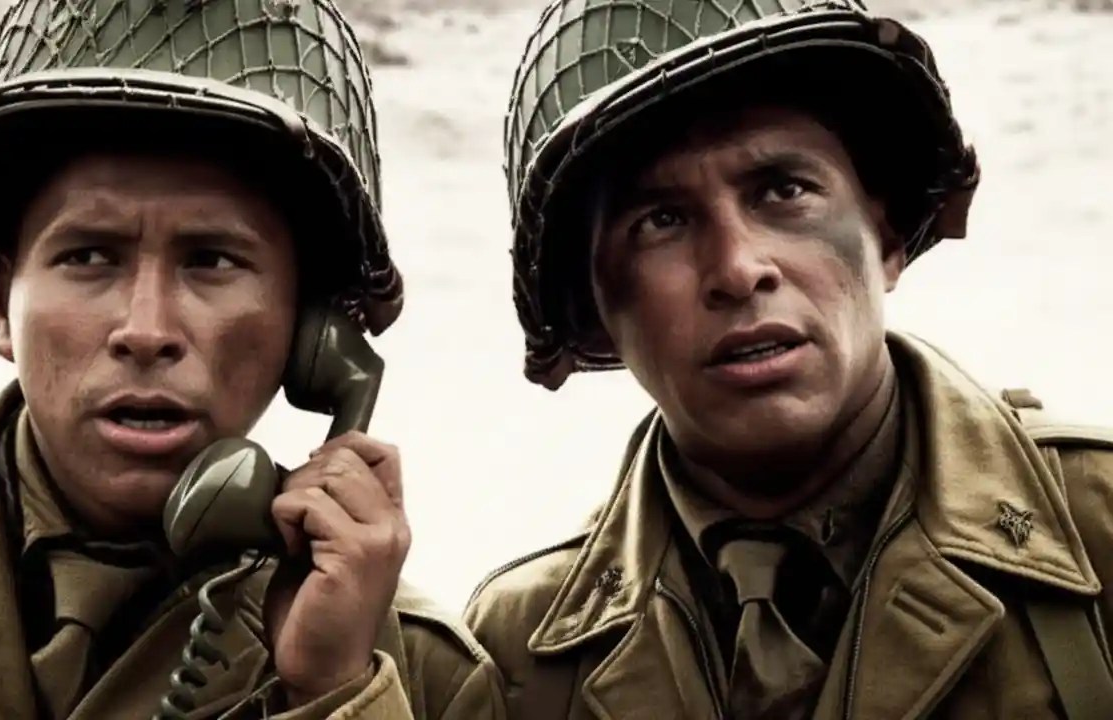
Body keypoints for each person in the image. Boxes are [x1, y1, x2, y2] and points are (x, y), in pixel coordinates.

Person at [0, 1, 504, 718]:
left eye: (211, 260)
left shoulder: (422, 680)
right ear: (2, 303)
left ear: (309, 332)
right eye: (89, 256)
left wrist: (332, 690)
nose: (146, 331)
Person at [464, 1, 1113, 718]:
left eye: (784, 190)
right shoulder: (520, 654)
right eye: (662, 221)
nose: (738, 270)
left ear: (887, 235)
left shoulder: (1096, 525)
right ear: (596, 312)